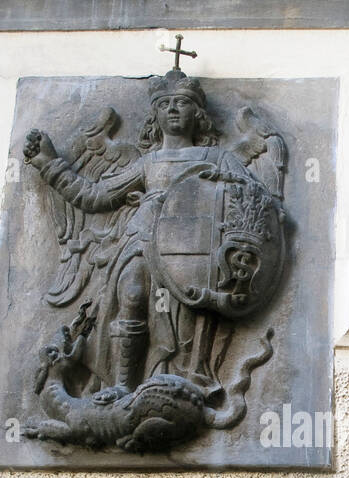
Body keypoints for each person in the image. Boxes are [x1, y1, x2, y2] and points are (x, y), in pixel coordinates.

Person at [24, 69, 257, 405]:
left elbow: (249, 200)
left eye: (181, 103)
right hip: (142, 235)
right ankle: (122, 384)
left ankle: (177, 385)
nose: (173, 109)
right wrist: (49, 163)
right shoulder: (148, 163)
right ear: (155, 114)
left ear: (198, 114)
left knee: (183, 321)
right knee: (131, 296)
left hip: (190, 252)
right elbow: (96, 196)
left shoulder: (217, 158)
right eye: (165, 104)